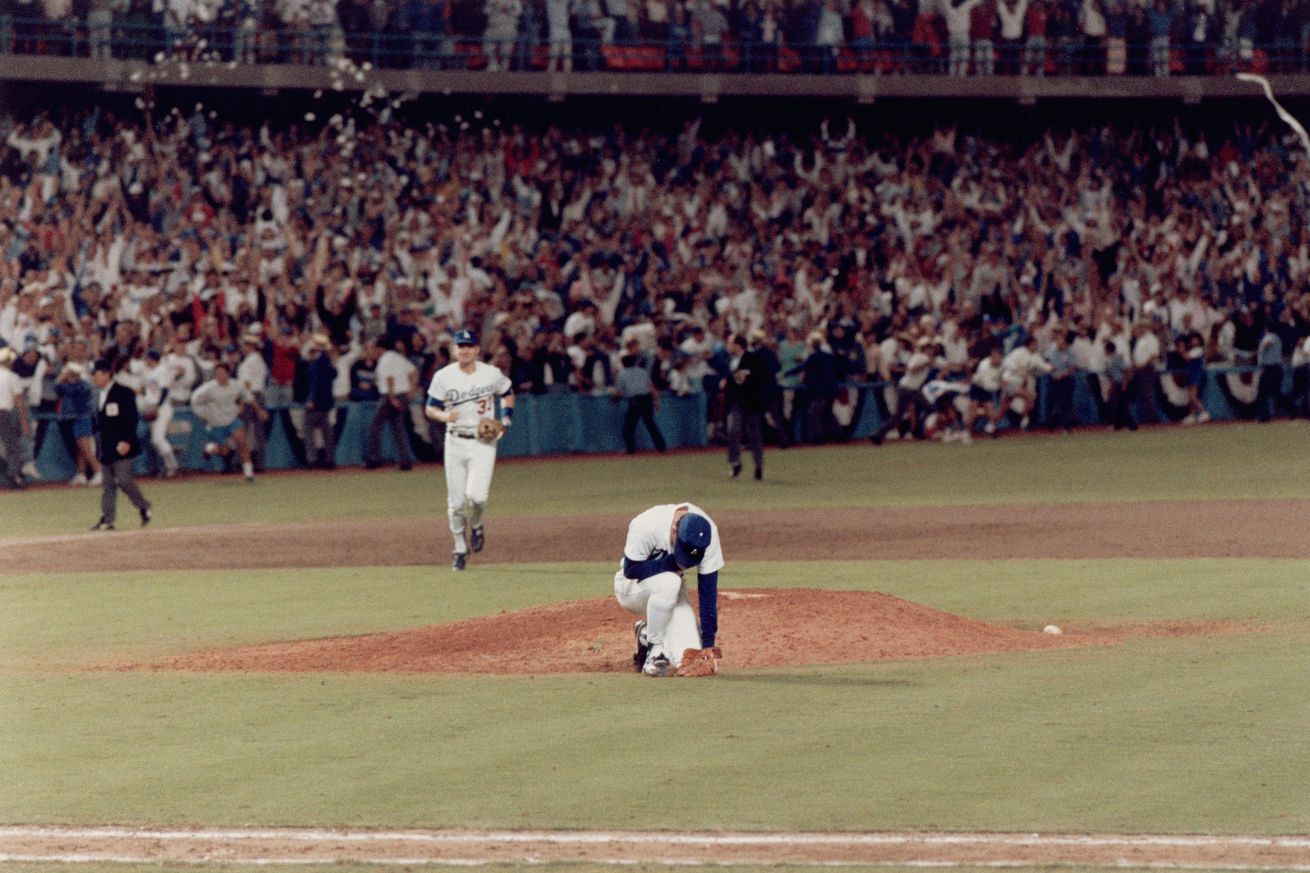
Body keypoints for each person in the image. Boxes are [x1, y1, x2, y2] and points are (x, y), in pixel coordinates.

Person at [424, 329, 515, 572]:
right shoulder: (443, 376)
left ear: (476, 350)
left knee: (478, 497)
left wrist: (506, 420)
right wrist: (444, 415)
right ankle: (459, 548)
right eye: (460, 346)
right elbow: (430, 408)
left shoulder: (490, 373)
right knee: (455, 503)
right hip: (454, 442)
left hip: (483, 442)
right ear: (455, 350)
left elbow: (507, 393)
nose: (464, 350)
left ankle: (476, 523)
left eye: (469, 346)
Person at [614, 502, 724, 677]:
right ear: (674, 530)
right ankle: (654, 651)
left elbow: (708, 593)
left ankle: (644, 633)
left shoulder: (708, 533)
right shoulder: (647, 525)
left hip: (670, 592)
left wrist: (708, 645)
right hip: (631, 587)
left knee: (687, 657)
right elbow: (631, 570)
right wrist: (671, 563)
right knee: (671, 582)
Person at [89, 358, 152, 531]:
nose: (94, 377)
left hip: (123, 445)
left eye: (96, 374)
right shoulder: (96, 395)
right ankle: (107, 519)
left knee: (124, 480)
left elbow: (131, 419)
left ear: (107, 374)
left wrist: (126, 440)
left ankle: (143, 506)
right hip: (106, 446)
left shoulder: (124, 393)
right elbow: (97, 423)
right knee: (107, 485)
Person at [190, 361, 260, 481]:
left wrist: (259, 411)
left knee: (242, 442)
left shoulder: (236, 385)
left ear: (228, 373)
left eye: (222, 373)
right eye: (217, 373)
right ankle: (209, 449)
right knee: (224, 452)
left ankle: (249, 473)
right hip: (216, 423)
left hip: (232, 420)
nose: (219, 376)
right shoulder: (208, 388)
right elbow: (194, 401)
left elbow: (249, 397)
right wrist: (203, 415)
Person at [365, 336, 418, 471]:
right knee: (398, 428)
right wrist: (411, 389)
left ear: (380, 348)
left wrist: (392, 397)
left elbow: (389, 378)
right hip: (403, 394)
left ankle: (374, 459)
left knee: (375, 426)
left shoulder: (384, 359)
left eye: (374, 348)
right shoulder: (397, 357)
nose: (373, 351)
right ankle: (405, 461)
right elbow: (414, 371)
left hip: (390, 396)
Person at [722, 333, 767, 479]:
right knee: (732, 431)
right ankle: (735, 462)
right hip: (736, 401)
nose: (728, 346)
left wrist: (747, 377)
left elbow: (762, 377)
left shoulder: (753, 358)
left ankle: (758, 467)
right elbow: (730, 378)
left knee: (754, 435)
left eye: (730, 343)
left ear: (737, 345)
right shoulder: (730, 360)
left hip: (751, 402)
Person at [55, 362, 101, 485]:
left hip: (82, 418)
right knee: (79, 448)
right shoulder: (70, 385)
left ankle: (99, 471)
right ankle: (82, 474)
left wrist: (64, 378)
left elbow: (67, 388)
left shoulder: (83, 385)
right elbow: (57, 388)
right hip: (74, 419)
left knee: (86, 448)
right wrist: (63, 378)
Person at [615, 352, 667, 455]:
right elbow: (651, 387)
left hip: (634, 400)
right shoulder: (642, 371)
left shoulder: (622, 373)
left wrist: (614, 400)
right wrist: (656, 401)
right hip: (647, 398)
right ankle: (661, 447)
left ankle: (630, 449)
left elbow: (620, 392)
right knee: (650, 424)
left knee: (629, 426)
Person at [141, 349, 181, 477]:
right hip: (154, 407)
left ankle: (172, 467)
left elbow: (165, 390)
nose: (145, 360)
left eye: (147, 358)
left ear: (151, 359)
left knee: (158, 439)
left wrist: (157, 406)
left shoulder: (162, 370)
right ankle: (170, 466)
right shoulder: (151, 372)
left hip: (162, 408)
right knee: (155, 439)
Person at [303, 333, 338, 469]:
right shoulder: (327, 361)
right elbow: (334, 375)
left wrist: (311, 399)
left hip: (316, 401)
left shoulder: (317, 362)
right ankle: (330, 460)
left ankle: (312, 460)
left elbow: (316, 383)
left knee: (308, 430)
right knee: (327, 431)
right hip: (326, 401)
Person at [0, 347, 29, 490]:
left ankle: (12, 475)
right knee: (12, 447)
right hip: (4, 413)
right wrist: (24, 421)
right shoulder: (12, 377)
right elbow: (19, 401)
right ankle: (14, 476)